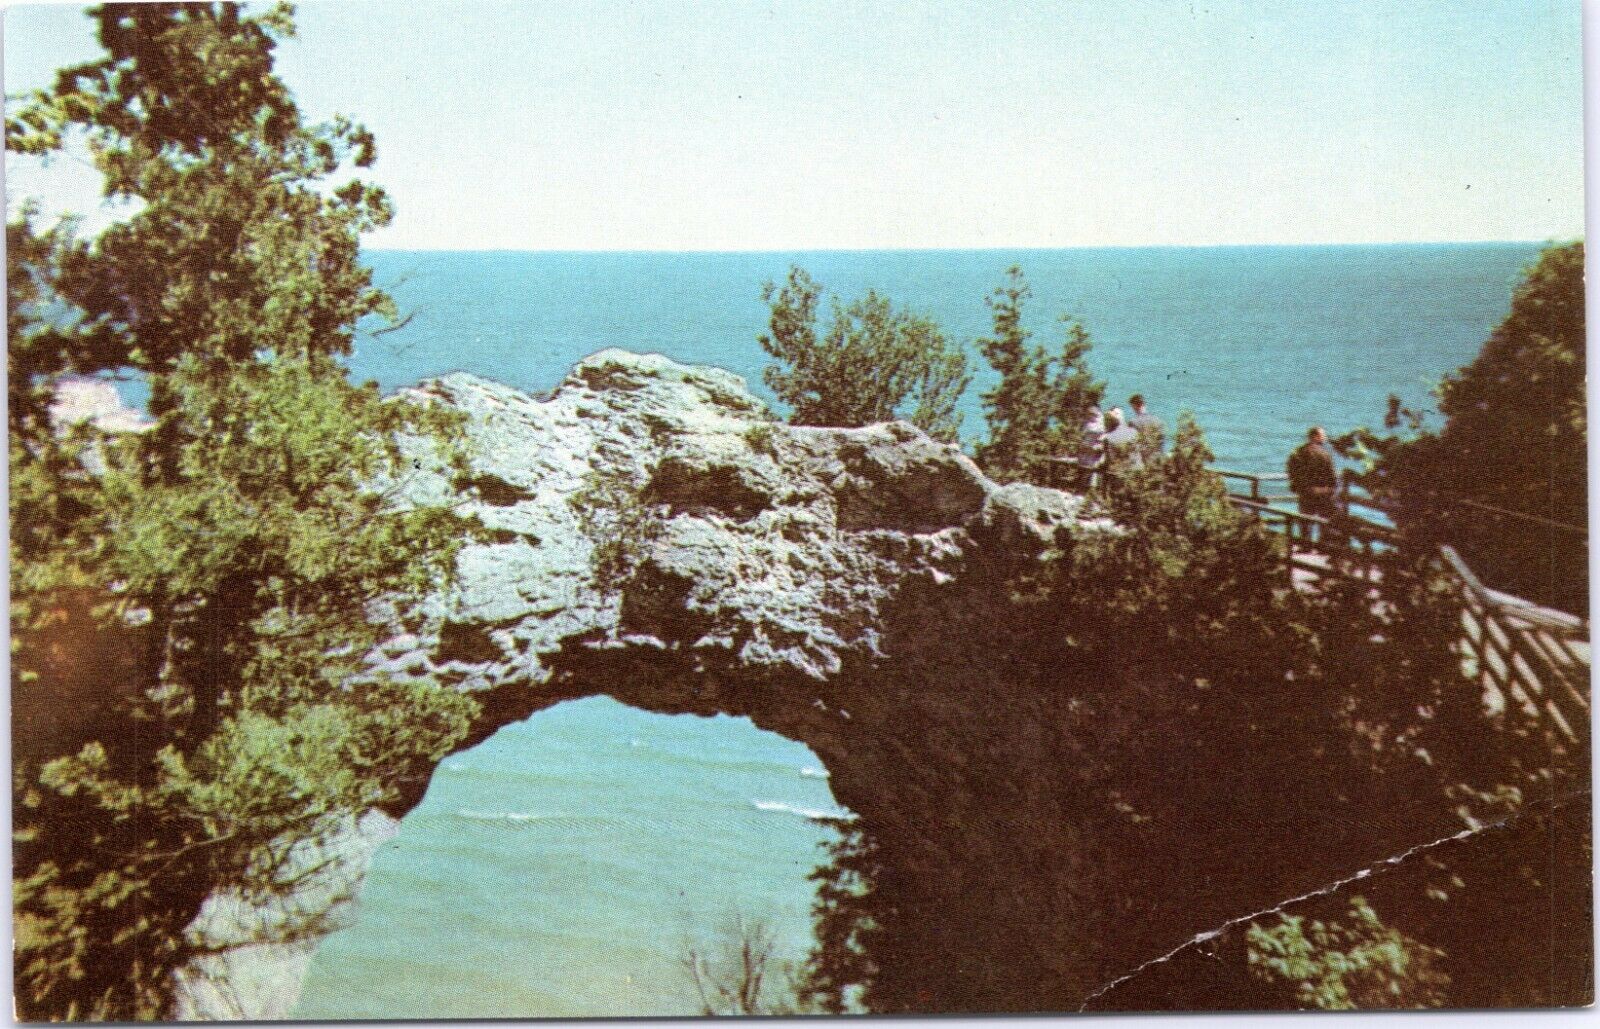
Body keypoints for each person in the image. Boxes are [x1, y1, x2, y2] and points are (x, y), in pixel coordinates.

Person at [1287, 426, 1340, 543]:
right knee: (1324, 520)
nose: (1325, 438)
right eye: (1323, 436)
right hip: (1323, 492)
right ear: (1316, 437)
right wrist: (1332, 488)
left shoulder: (1299, 452)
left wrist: (1298, 486)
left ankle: (1305, 545)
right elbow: (1332, 475)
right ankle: (1323, 545)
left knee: (1305, 520)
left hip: (1306, 491)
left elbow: (1291, 470)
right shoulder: (1324, 454)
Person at [1074, 405, 1107, 491]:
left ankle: (1091, 490)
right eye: (1090, 414)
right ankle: (1084, 489)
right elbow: (1081, 438)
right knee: (1085, 470)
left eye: (1093, 414)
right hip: (1086, 451)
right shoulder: (1087, 424)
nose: (1091, 416)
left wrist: (1099, 445)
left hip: (1094, 452)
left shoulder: (1098, 424)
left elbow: (1102, 437)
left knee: (1093, 472)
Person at [1101, 407, 1143, 474]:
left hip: (1119, 473)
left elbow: (1108, 460)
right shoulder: (1134, 432)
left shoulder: (1107, 438)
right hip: (1136, 472)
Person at [1128, 394, 1165, 459]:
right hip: (1158, 455)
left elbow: (1132, 442)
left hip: (1144, 456)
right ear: (1144, 404)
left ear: (1134, 406)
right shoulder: (1157, 420)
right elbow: (1161, 439)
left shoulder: (1132, 422)